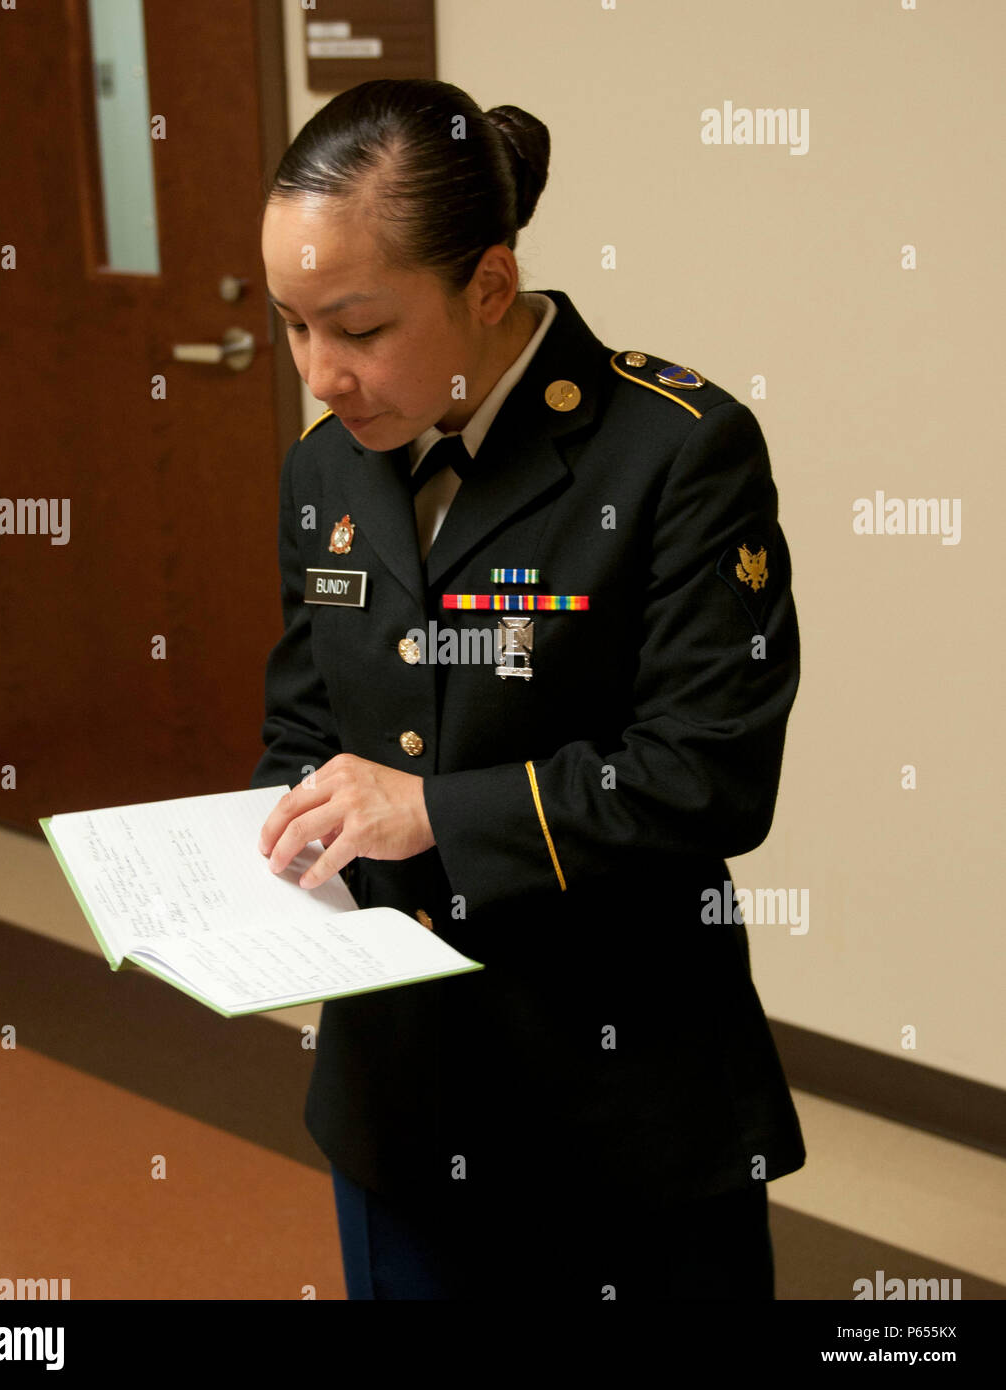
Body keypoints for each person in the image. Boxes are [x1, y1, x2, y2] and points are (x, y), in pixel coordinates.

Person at [248, 78, 805, 1300]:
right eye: (291, 326)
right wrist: (267, 859)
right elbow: (305, 725)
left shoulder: (673, 450)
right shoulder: (324, 469)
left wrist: (436, 812)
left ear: (489, 286)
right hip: (396, 1099)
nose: (321, 374)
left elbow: (709, 774)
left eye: (358, 328)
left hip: (621, 1105)